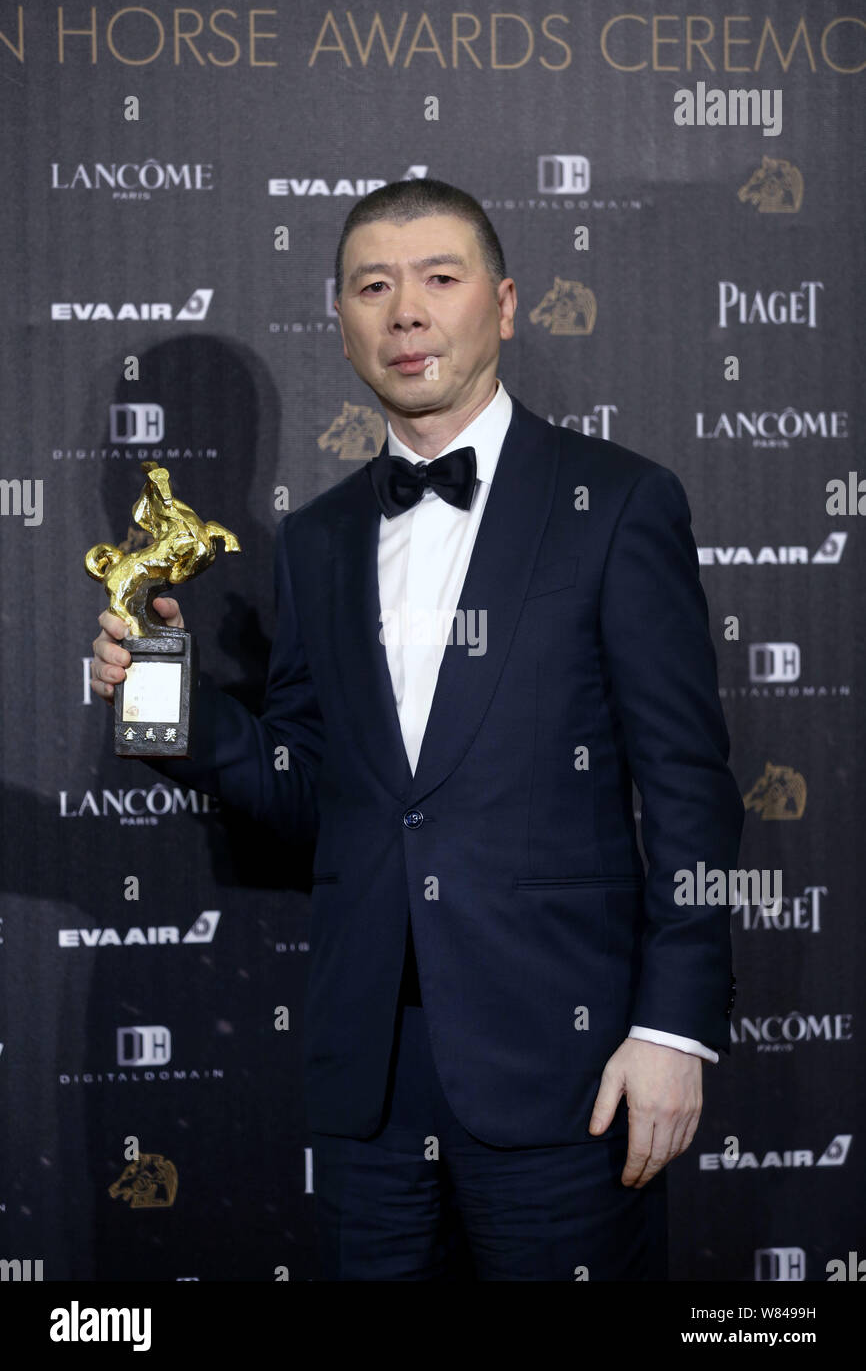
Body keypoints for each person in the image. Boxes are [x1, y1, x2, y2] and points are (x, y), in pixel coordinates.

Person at [91, 177, 743, 1281]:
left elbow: (688, 787)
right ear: (339, 322)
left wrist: (671, 1030)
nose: (405, 311)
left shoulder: (618, 502)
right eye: (373, 286)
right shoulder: (320, 540)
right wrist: (181, 710)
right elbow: (312, 791)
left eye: (438, 278)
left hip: (569, 1075)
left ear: (503, 303)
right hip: (370, 1087)